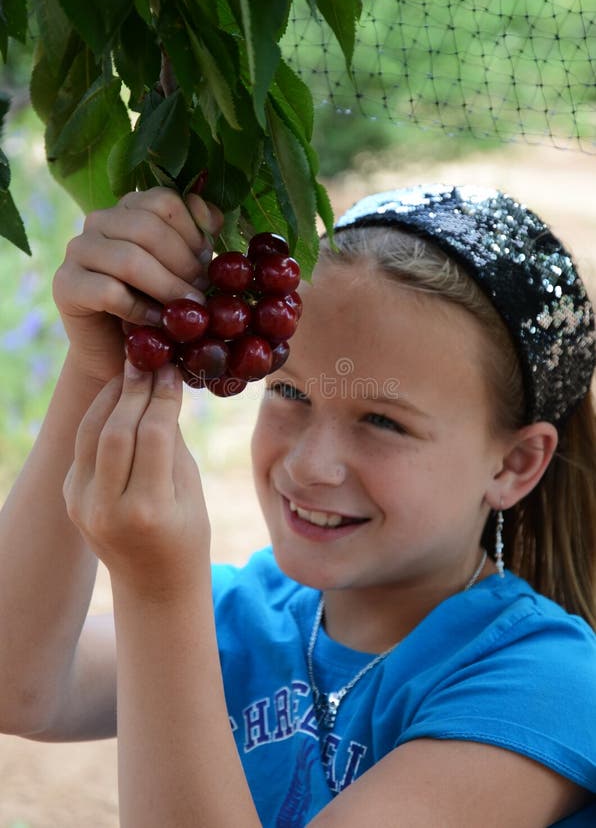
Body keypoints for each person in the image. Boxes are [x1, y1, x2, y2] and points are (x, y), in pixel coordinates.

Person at [0, 183, 594, 828]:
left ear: (513, 464)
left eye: (384, 422)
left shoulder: (550, 686)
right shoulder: (246, 619)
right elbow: (19, 686)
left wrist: (156, 592)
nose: (310, 466)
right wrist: (102, 362)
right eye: (288, 389)